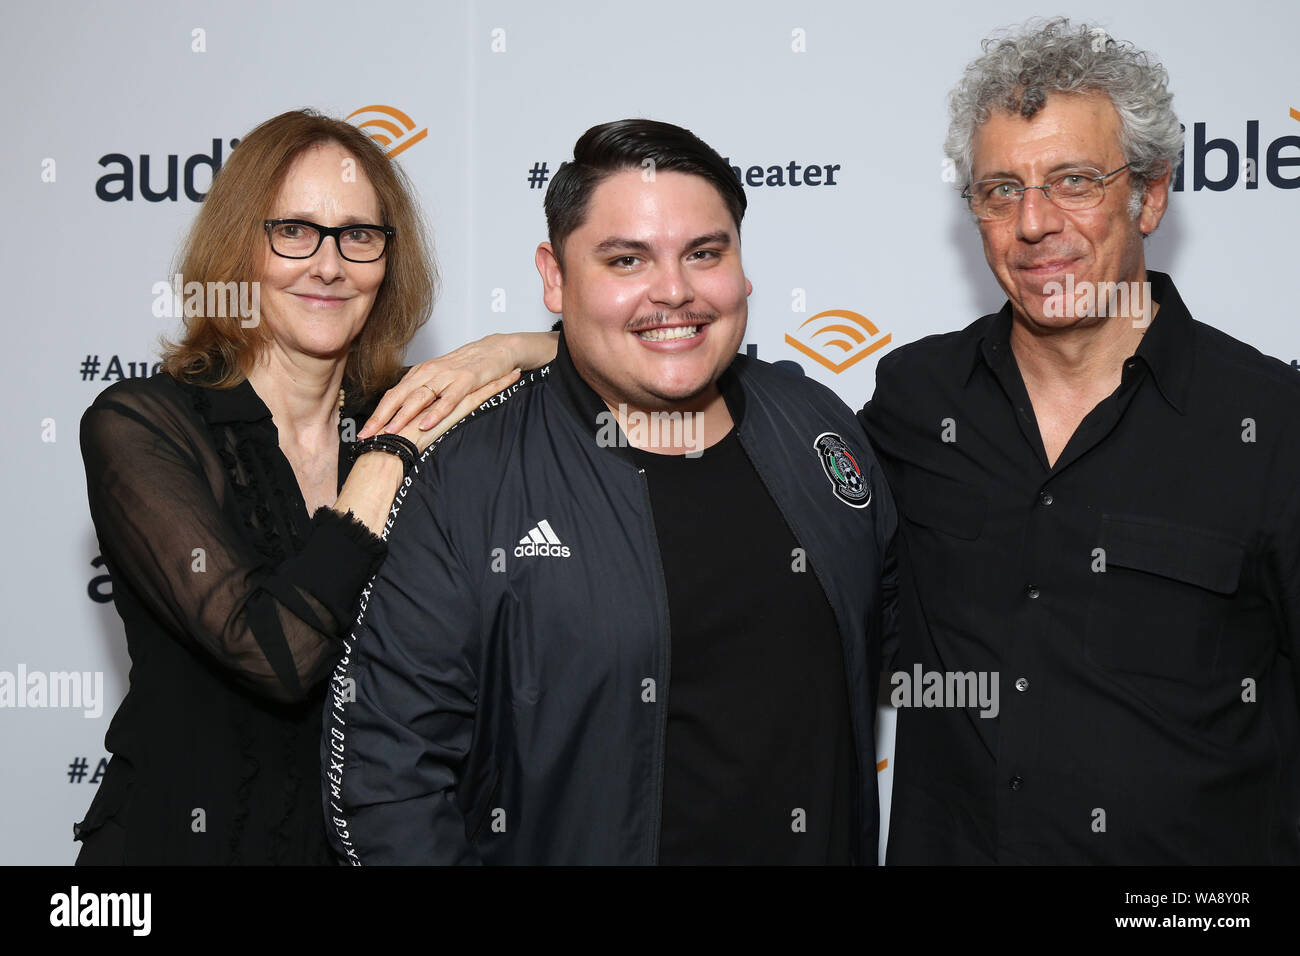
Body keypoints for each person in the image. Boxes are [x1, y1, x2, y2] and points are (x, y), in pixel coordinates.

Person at [323, 119, 897, 865]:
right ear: (554, 278)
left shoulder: (817, 426)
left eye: (705, 253)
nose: (674, 291)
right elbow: (385, 775)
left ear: (743, 267)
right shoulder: (466, 478)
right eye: (627, 259)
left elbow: (898, 638)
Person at [859, 18, 1300, 863]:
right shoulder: (916, 399)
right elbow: (757, 443)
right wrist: (574, 350)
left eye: (1072, 182)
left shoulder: (1273, 425)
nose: (1033, 224)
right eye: (1000, 190)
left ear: (1151, 194)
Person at [76, 108, 552, 865]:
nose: (329, 265)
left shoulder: (407, 411)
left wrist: (503, 348)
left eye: (359, 235)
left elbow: (613, 359)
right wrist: (386, 456)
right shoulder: (144, 426)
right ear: (239, 248)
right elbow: (276, 653)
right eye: (294, 231)